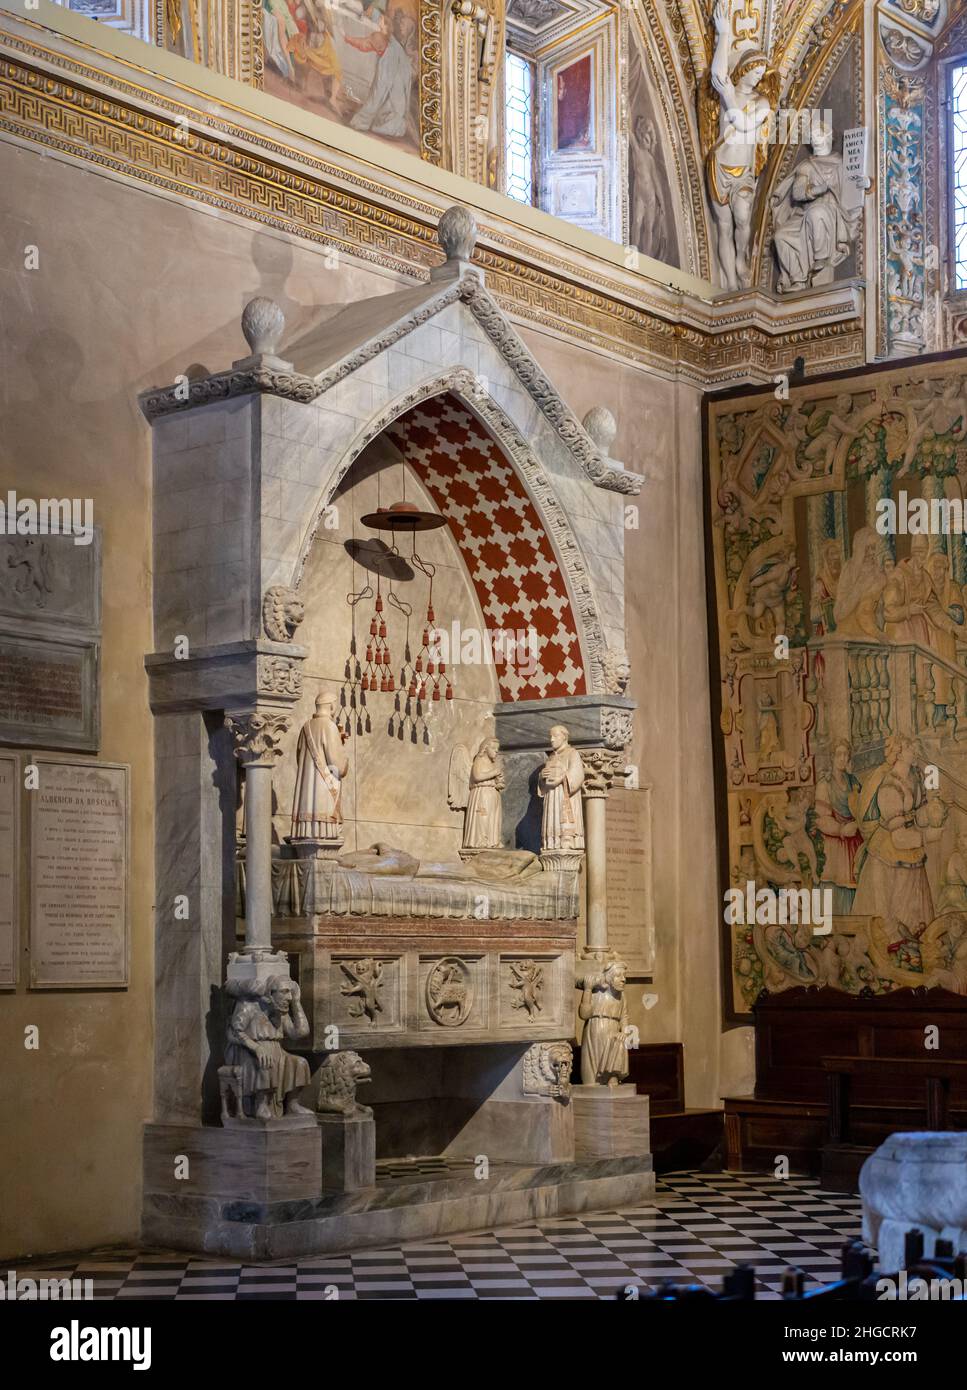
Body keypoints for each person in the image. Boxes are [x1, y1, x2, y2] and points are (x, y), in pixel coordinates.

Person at [771, 127, 860, 292]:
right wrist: (818, 189)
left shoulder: (840, 162)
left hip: (831, 210)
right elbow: (797, 193)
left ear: (828, 136)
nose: (813, 138)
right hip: (806, 212)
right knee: (780, 236)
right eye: (811, 136)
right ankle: (798, 279)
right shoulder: (806, 166)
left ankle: (821, 260)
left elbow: (852, 191)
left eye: (817, 134)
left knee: (816, 213)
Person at [225, 977, 312, 1121]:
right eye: (284, 992)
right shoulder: (248, 1005)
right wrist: (256, 1047)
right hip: (248, 1053)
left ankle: (292, 1103)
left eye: (290, 993)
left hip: (277, 1052)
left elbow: (299, 1033)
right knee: (267, 1059)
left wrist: (297, 1003)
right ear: (270, 993)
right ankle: (261, 1104)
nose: (289, 998)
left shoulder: (281, 1012)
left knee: (300, 1062)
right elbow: (234, 1032)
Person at [347, 10, 414, 140]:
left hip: (395, 102)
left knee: (379, 102)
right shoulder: (389, 41)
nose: (379, 23)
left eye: (381, 22)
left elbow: (380, 90)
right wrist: (372, 13)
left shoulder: (390, 52)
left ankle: (364, 122)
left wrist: (361, 119)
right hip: (393, 94)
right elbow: (378, 24)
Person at [291, 690, 349, 840]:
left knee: (308, 835)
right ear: (331, 706)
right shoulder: (329, 726)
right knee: (323, 834)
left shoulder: (306, 727)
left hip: (306, 792)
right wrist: (344, 757)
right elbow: (337, 765)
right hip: (323, 789)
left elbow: (299, 758)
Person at [578, 959, 629, 1087]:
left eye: (624, 976)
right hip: (594, 1030)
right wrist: (588, 989)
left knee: (616, 1046)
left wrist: (624, 1031)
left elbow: (624, 1016)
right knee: (591, 1075)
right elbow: (584, 1014)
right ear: (609, 978)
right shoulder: (596, 992)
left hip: (612, 1031)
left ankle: (612, 1077)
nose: (623, 979)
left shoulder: (621, 996)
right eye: (619, 976)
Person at [538, 725, 585, 852]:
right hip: (551, 797)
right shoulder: (551, 757)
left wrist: (561, 779)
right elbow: (543, 783)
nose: (551, 740)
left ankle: (566, 841)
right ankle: (552, 842)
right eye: (550, 736)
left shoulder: (572, 753)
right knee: (553, 833)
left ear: (564, 737)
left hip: (564, 795)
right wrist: (542, 777)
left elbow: (578, 775)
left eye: (555, 736)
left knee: (564, 831)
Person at [463, 737, 504, 850]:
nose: (496, 751)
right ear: (485, 748)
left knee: (493, 819)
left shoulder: (493, 763)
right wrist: (494, 772)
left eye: (497, 749)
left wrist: (499, 783)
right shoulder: (479, 760)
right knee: (483, 817)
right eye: (493, 748)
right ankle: (480, 841)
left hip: (492, 793)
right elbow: (477, 776)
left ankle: (492, 841)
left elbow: (496, 779)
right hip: (482, 793)